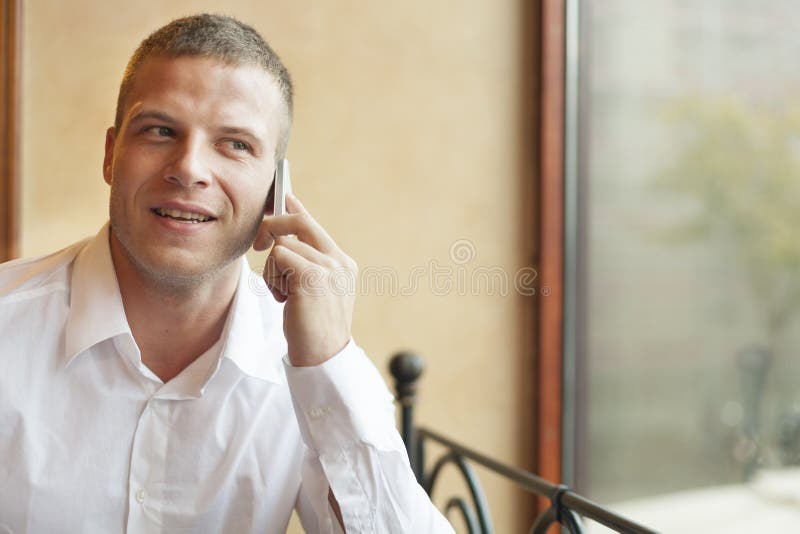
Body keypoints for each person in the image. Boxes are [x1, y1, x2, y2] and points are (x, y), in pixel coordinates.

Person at [0, 14, 453, 534]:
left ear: (276, 189)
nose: (189, 167)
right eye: (160, 131)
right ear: (111, 155)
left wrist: (328, 363)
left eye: (235, 143)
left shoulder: (315, 372)